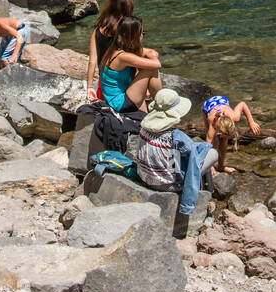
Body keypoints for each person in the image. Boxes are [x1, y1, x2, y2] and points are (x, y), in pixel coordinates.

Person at [135, 88, 217, 219]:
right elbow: (193, 157)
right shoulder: (175, 136)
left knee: (198, 149)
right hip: (168, 185)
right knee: (211, 151)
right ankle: (207, 193)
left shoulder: (144, 128)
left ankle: (206, 192)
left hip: (144, 176)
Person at [100, 15, 162, 113]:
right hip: (120, 104)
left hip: (119, 98)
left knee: (147, 65)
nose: (142, 35)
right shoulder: (123, 57)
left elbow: (152, 53)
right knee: (150, 69)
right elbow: (157, 64)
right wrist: (150, 54)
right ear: (135, 35)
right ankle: (162, 104)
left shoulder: (117, 49)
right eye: (141, 33)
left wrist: (150, 54)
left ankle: (158, 103)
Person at [87, 0, 134, 99]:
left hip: (104, 87)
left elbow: (92, 61)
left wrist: (89, 87)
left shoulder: (97, 30)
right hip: (123, 86)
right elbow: (134, 59)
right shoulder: (126, 30)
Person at [201, 95, 260, 174]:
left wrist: (251, 122)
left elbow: (242, 104)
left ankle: (221, 166)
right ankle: (210, 166)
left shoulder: (235, 116)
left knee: (223, 144)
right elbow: (208, 144)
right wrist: (210, 167)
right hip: (208, 106)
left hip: (222, 101)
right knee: (213, 144)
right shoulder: (212, 121)